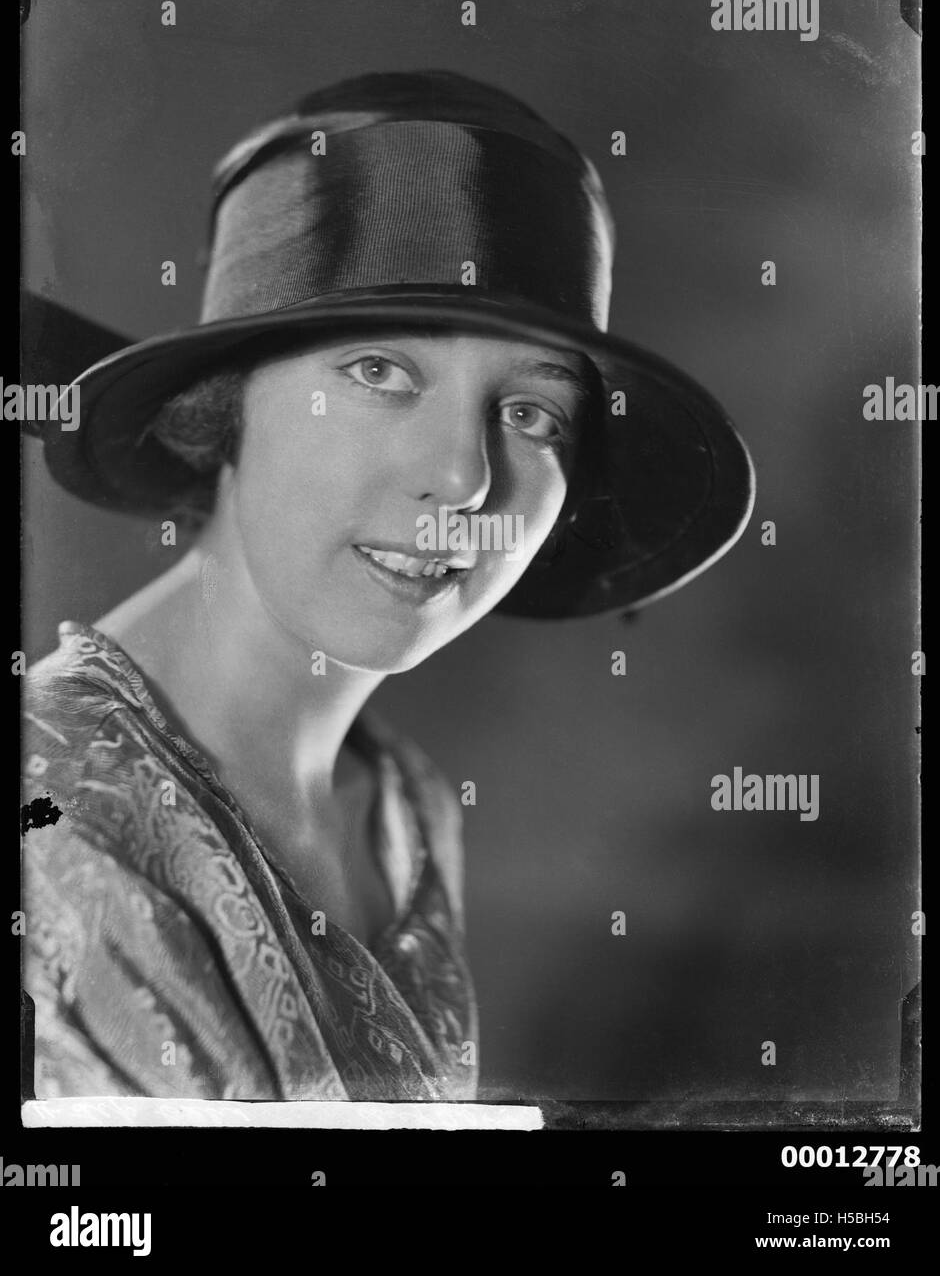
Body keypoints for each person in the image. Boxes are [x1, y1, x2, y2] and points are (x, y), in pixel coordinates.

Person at [21, 70, 755, 1102]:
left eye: (531, 415)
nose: (461, 478)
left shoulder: (408, 808)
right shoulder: (57, 824)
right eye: (377, 371)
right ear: (223, 404)